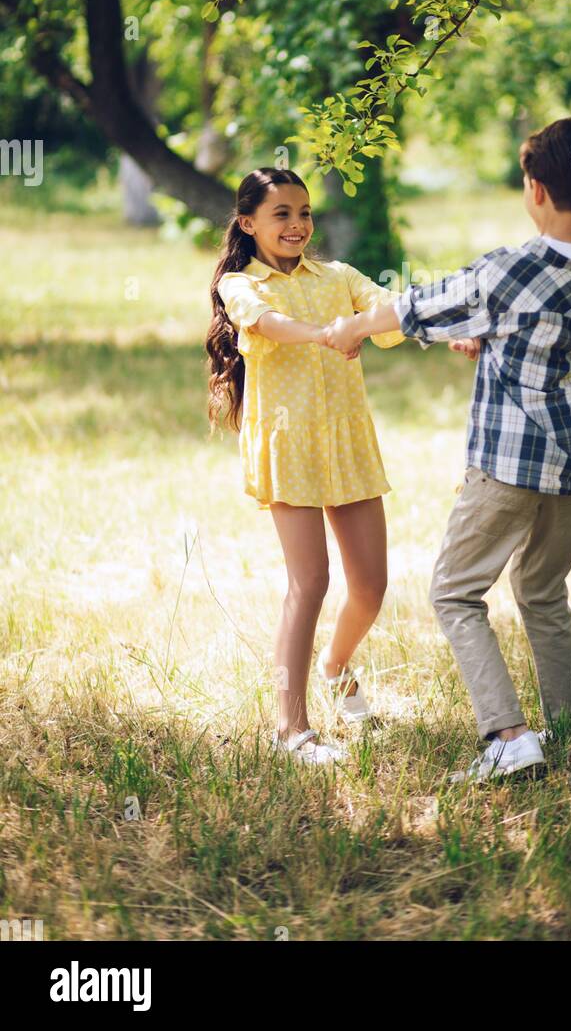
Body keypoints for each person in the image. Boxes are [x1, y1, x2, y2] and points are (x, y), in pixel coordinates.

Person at [323, 118, 571, 783]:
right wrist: (489, 341)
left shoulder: (505, 269)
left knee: (456, 593)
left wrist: (350, 328)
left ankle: (509, 739)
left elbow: (412, 307)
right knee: (542, 588)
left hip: (510, 464)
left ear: (536, 190)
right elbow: (549, 343)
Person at [205, 166, 476, 767]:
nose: (298, 224)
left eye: (304, 212)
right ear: (248, 224)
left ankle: (335, 666)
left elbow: (393, 312)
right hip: (290, 445)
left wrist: (449, 330)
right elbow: (266, 325)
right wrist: (330, 333)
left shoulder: (339, 277)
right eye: (282, 214)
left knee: (371, 586)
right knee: (310, 582)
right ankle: (290, 730)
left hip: (347, 442)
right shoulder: (240, 285)